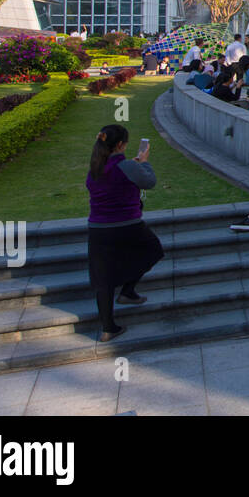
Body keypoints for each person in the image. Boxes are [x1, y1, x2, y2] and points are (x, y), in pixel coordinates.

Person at [86, 124, 165, 343]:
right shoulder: (127, 166)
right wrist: (144, 162)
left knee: (103, 279)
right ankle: (127, 289)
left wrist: (134, 165)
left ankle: (108, 328)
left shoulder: (95, 167)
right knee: (154, 251)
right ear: (120, 145)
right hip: (127, 225)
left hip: (98, 229)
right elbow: (149, 182)